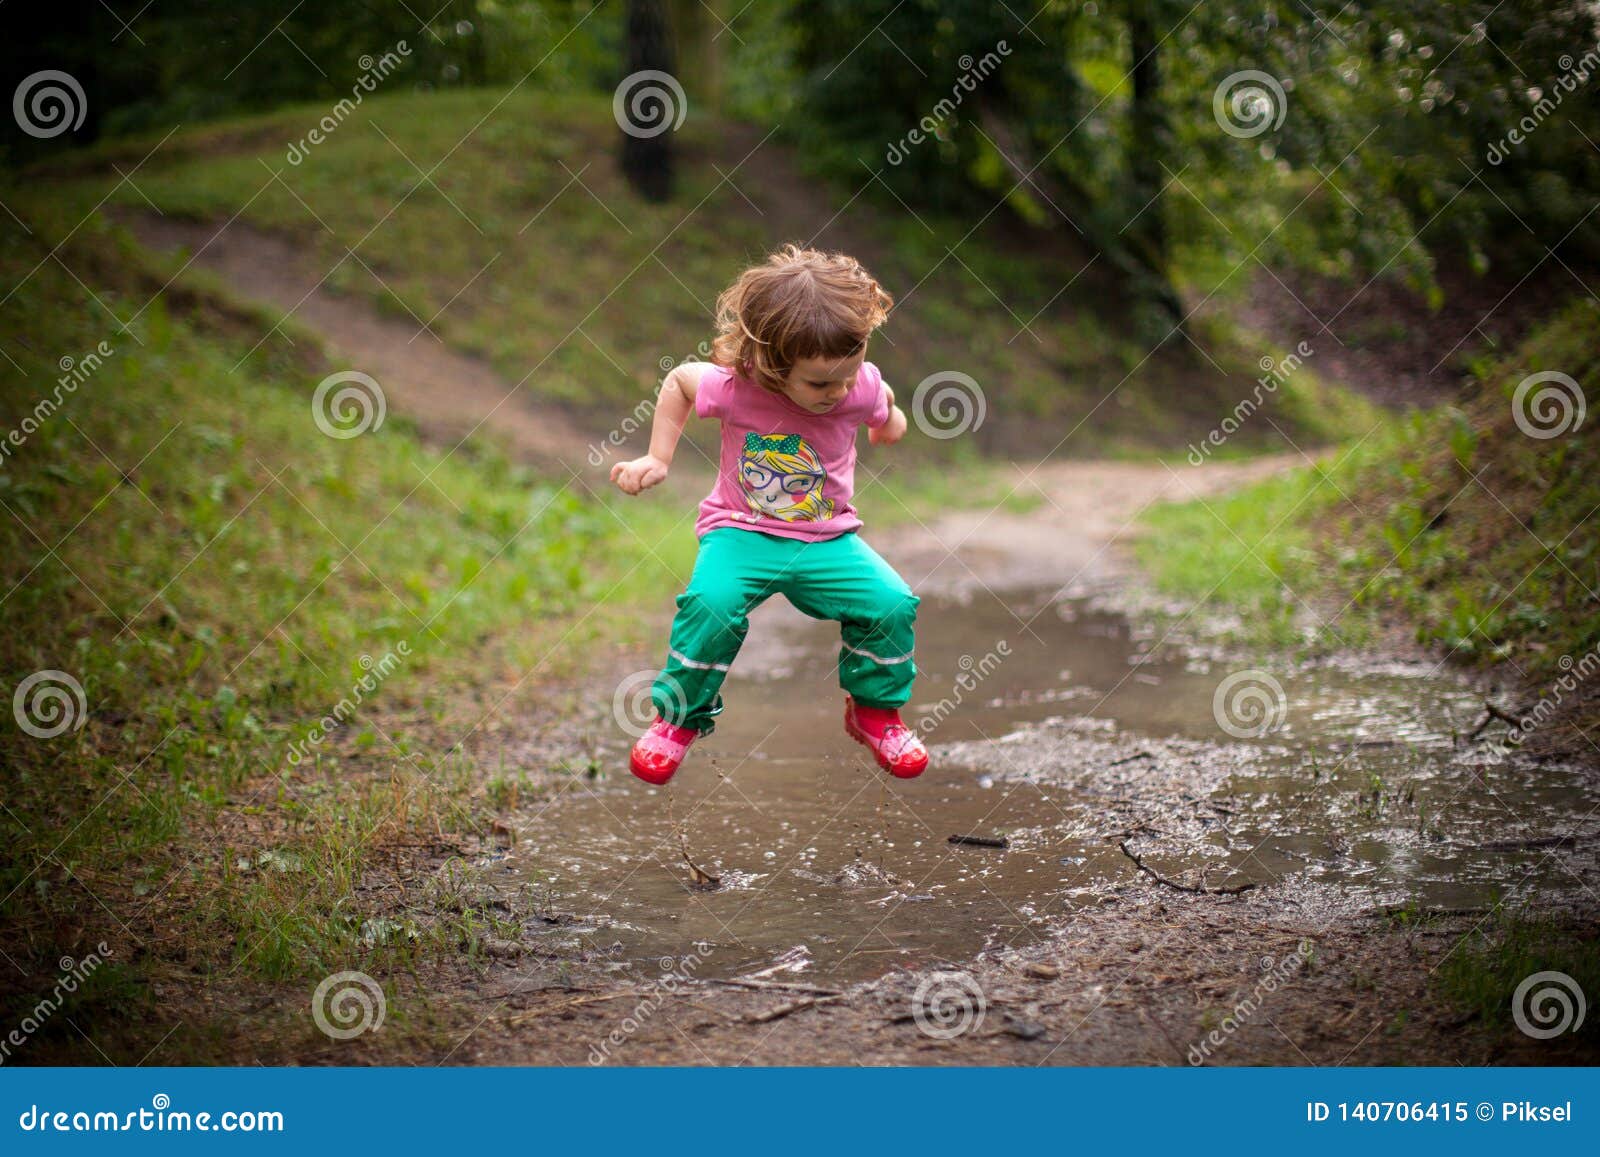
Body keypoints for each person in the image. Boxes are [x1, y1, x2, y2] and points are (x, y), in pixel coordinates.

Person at [609, 243, 928, 784]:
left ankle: (876, 714)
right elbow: (680, 382)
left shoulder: (857, 384)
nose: (838, 392)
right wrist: (656, 456)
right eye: (820, 383)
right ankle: (678, 722)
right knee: (711, 606)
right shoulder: (737, 386)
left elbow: (881, 398)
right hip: (739, 532)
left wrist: (888, 424)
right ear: (772, 365)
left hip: (827, 540)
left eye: (847, 375)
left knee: (891, 603)